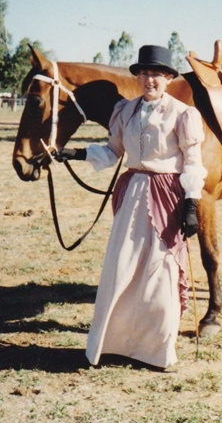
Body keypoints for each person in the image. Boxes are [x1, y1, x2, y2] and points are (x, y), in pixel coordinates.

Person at [53, 45, 207, 369]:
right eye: (145, 73)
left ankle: (156, 352)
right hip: (133, 191)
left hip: (166, 194)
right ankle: (114, 345)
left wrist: (191, 203)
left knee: (159, 271)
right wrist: (77, 154)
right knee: (122, 266)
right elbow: (112, 152)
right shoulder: (125, 111)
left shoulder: (183, 114)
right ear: (137, 76)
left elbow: (193, 162)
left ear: (167, 78)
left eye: (157, 74)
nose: (150, 80)